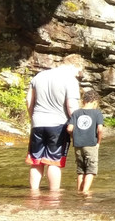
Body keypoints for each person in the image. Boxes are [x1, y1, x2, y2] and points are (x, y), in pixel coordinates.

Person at [26, 54, 83, 192]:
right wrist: (77, 125)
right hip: (58, 125)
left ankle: (34, 192)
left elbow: (28, 100)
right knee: (53, 162)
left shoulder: (39, 76)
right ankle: (54, 194)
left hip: (38, 123)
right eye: (78, 71)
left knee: (36, 160)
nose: (78, 75)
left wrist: (33, 118)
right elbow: (71, 106)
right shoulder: (70, 80)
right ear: (74, 65)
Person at [67, 90, 105, 194]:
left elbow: (70, 128)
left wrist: (74, 137)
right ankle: (85, 192)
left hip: (78, 145)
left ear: (84, 101)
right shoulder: (97, 113)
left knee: (81, 170)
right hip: (91, 144)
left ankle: (79, 191)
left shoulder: (76, 113)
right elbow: (100, 129)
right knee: (91, 169)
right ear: (95, 102)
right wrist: (98, 143)